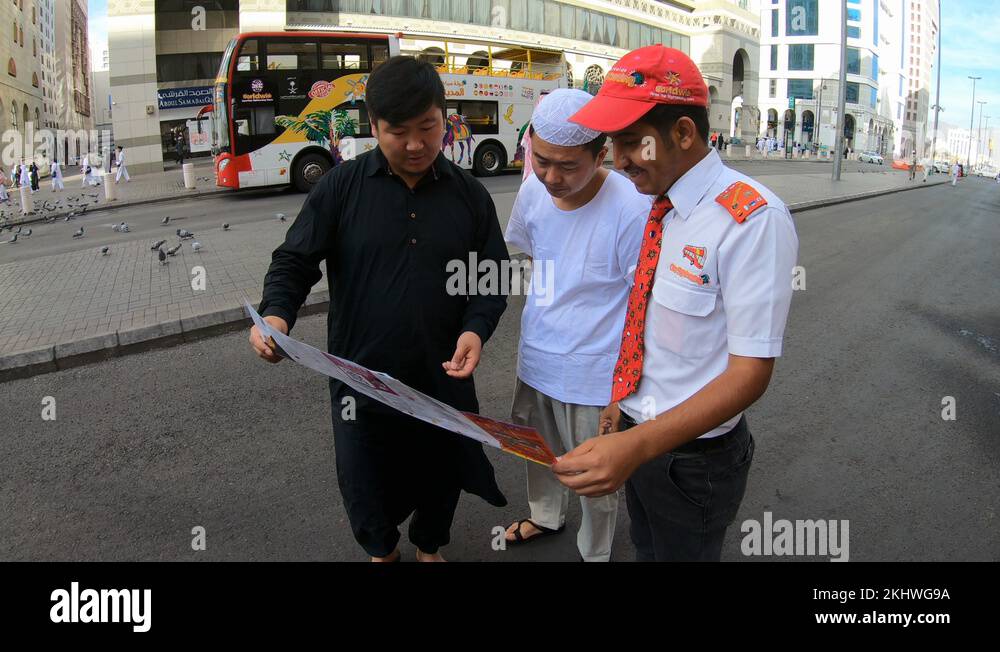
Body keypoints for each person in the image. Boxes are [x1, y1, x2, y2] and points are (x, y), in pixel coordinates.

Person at [251, 56, 509, 563]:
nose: (415, 145)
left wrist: (476, 329)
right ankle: (382, 551)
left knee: (443, 469)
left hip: (443, 376)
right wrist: (276, 316)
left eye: (428, 128)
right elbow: (294, 261)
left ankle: (429, 546)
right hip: (361, 378)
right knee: (364, 477)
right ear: (373, 126)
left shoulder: (469, 195)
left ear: (445, 118)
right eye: (398, 132)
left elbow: (491, 278)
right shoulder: (341, 188)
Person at [560, 44, 799, 561]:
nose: (618, 161)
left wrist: (636, 445)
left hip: (693, 462)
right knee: (646, 549)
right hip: (636, 438)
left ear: (684, 134)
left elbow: (750, 372)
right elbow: (650, 320)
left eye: (630, 144)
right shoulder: (660, 202)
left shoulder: (753, 220)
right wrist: (618, 407)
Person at [501, 89, 650, 561]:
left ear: (600, 153)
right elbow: (535, 257)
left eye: (568, 166)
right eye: (542, 160)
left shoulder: (630, 204)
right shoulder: (532, 192)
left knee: (594, 471)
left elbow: (641, 303)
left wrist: (620, 390)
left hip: (595, 368)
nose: (551, 176)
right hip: (538, 354)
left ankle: (595, 549)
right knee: (537, 448)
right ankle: (545, 515)